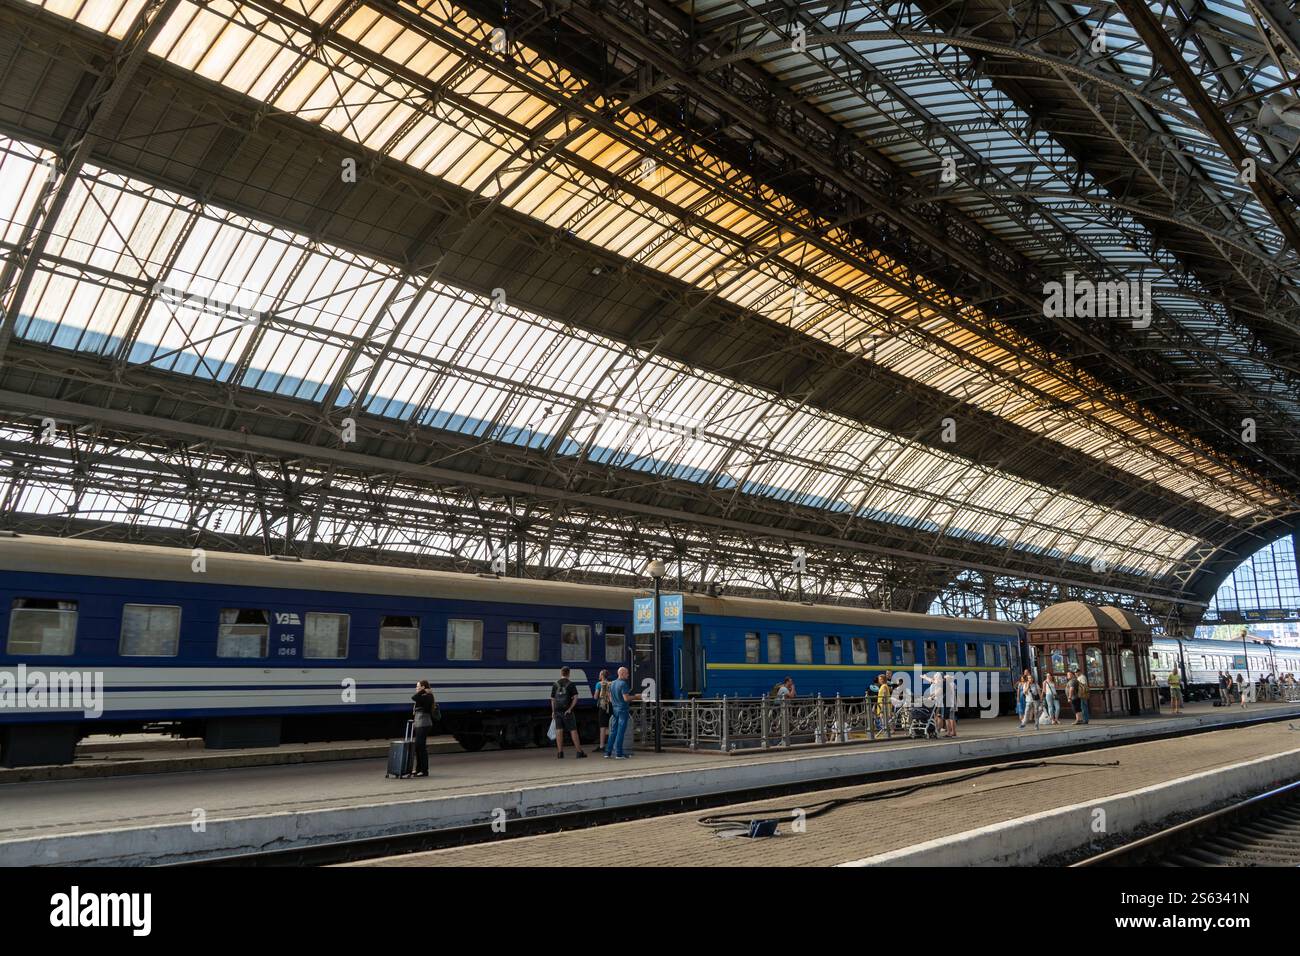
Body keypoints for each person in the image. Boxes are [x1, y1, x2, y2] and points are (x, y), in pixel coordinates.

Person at [604, 666, 641, 759]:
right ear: (622, 673)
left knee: (613, 731)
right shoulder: (623, 684)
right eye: (627, 673)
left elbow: (610, 699)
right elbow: (626, 698)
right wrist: (637, 697)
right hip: (622, 710)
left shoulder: (612, 684)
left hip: (615, 709)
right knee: (621, 732)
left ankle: (608, 752)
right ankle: (619, 754)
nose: (628, 675)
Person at [550, 666, 586, 758]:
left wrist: (553, 711)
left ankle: (560, 753)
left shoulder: (555, 684)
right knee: (573, 730)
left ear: (561, 673)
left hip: (557, 710)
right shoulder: (571, 684)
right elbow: (576, 697)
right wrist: (570, 708)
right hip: (567, 711)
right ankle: (579, 752)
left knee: (559, 730)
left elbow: (553, 699)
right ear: (569, 673)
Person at [410, 680, 437, 777]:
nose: (416, 688)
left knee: (421, 747)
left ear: (423, 687)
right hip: (419, 723)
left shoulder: (428, 696)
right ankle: (418, 769)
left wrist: (424, 691)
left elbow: (414, 697)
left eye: (418, 686)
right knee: (418, 747)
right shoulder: (423, 696)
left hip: (424, 724)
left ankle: (424, 770)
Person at [593, 669, 613, 752]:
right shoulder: (611, 684)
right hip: (611, 706)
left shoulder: (598, 684)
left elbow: (595, 696)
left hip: (602, 706)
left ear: (602, 676)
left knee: (602, 726)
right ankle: (611, 745)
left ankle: (601, 746)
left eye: (600, 674)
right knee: (611, 726)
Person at [942, 670, 958, 738]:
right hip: (953, 702)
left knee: (948, 718)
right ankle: (953, 732)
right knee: (952, 718)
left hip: (949, 703)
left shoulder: (948, 685)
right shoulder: (953, 684)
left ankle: (949, 732)